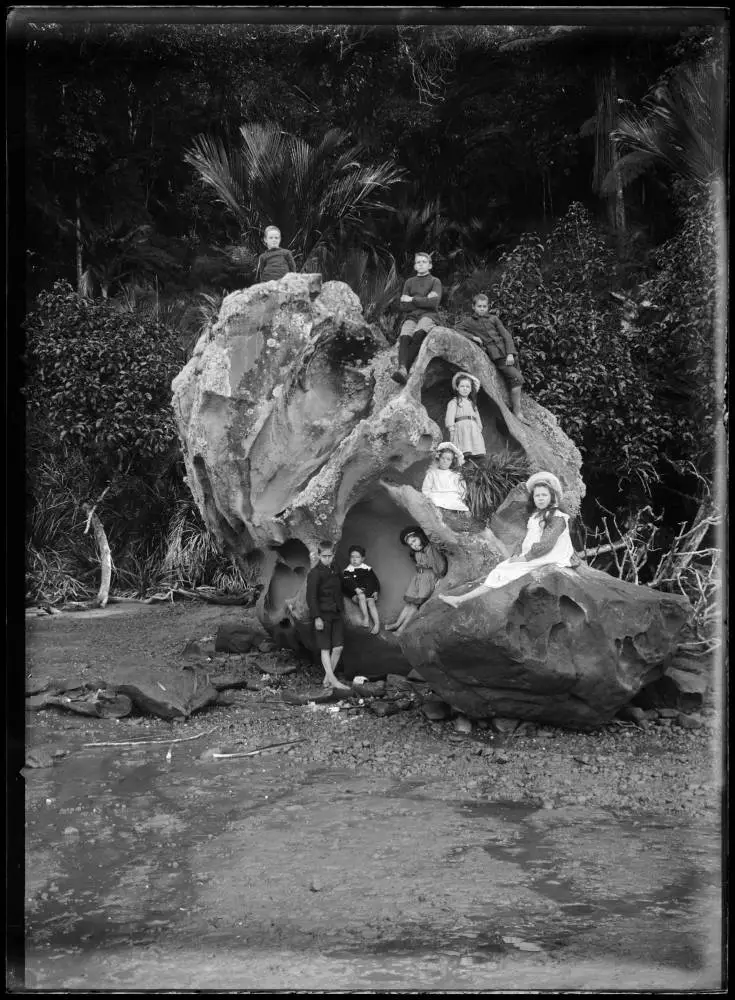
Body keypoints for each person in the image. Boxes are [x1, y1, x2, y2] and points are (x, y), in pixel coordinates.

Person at [439, 472, 577, 607]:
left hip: (550, 555)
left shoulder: (557, 517)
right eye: (537, 495)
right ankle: (461, 598)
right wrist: (518, 554)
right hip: (537, 554)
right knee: (505, 566)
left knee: (503, 570)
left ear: (552, 497)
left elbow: (546, 544)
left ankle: (460, 599)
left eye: (544, 495)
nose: (540, 498)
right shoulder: (536, 516)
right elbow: (528, 539)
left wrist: (525, 558)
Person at [456, 293, 526, 421]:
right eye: (479, 306)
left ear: (488, 307)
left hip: (508, 353)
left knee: (515, 379)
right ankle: (517, 411)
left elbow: (506, 336)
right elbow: (457, 329)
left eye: (484, 306)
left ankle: (516, 405)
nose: (482, 309)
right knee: (517, 379)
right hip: (497, 356)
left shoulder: (494, 319)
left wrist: (510, 353)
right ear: (473, 307)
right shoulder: (470, 322)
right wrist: (473, 337)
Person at [305, 540, 351, 691]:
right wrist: (317, 617)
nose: (327, 559)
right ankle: (333, 680)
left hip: (336, 612)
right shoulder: (314, 573)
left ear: (333, 555)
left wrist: (357, 591)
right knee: (325, 648)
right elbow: (311, 598)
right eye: (324, 556)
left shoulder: (335, 568)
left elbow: (343, 586)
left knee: (338, 647)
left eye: (330, 556)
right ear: (318, 555)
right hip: (322, 614)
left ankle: (327, 679)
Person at [391, 251, 442, 384]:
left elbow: (433, 304)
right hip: (412, 316)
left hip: (429, 316)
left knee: (419, 333)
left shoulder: (435, 281)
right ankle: (402, 368)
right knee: (405, 335)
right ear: (414, 266)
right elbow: (403, 306)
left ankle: (404, 369)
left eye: (424, 262)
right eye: (418, 262)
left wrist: (412, 299)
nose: (421, 264)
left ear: (430, 265)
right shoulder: (409, 282)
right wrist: (424, 300)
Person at [386, 526, 447, 635]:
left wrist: (439, 579)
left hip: (427, 578)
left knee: (415, 605)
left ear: (420, 537)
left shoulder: (430, 549)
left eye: (414, 540)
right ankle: (397, 623)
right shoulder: (417, 552)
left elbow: (438, 565)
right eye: (411, 544)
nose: (413, 545)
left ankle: (401, 629)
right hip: (418, 577)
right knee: (409, 602)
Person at [445, 372, 486, 460]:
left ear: (471, 389)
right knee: (464, 451)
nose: (465, 389)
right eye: (462, 386)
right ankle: (463, 465)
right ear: (457, 388)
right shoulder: (454, 402)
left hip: (473, 429)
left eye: (468, 387)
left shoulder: (472, 403)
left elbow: (477, 417)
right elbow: (450, 417)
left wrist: (479, 427)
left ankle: (474, 466)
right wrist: (451, 429)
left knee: (476, 450)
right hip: (461, 429)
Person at [341, 544, 381, 635]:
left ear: (363, 559)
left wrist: (376, 591)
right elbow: (348, 583)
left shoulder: (367, 569)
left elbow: (375, 581)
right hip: (356, 595)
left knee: (371, 602)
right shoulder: (347, 571)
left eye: (357, 557)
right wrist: (355, 589)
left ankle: (377, 625)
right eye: (352, 557)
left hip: (367, 593)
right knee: (361, 596)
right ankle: (366, 618)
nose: (354, 559)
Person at [421, 442, 470, 512]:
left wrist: (460, 498)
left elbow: (462, 490)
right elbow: (426, 489)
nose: (445, 461)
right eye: (443, 458)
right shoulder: (432, 473)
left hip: (452, 498)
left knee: (458, 504)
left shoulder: (456, 474)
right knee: (434, 500)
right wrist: (428, 498)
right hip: (436, 497)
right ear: (439, 458)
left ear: (452, 462)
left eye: (448, 459)